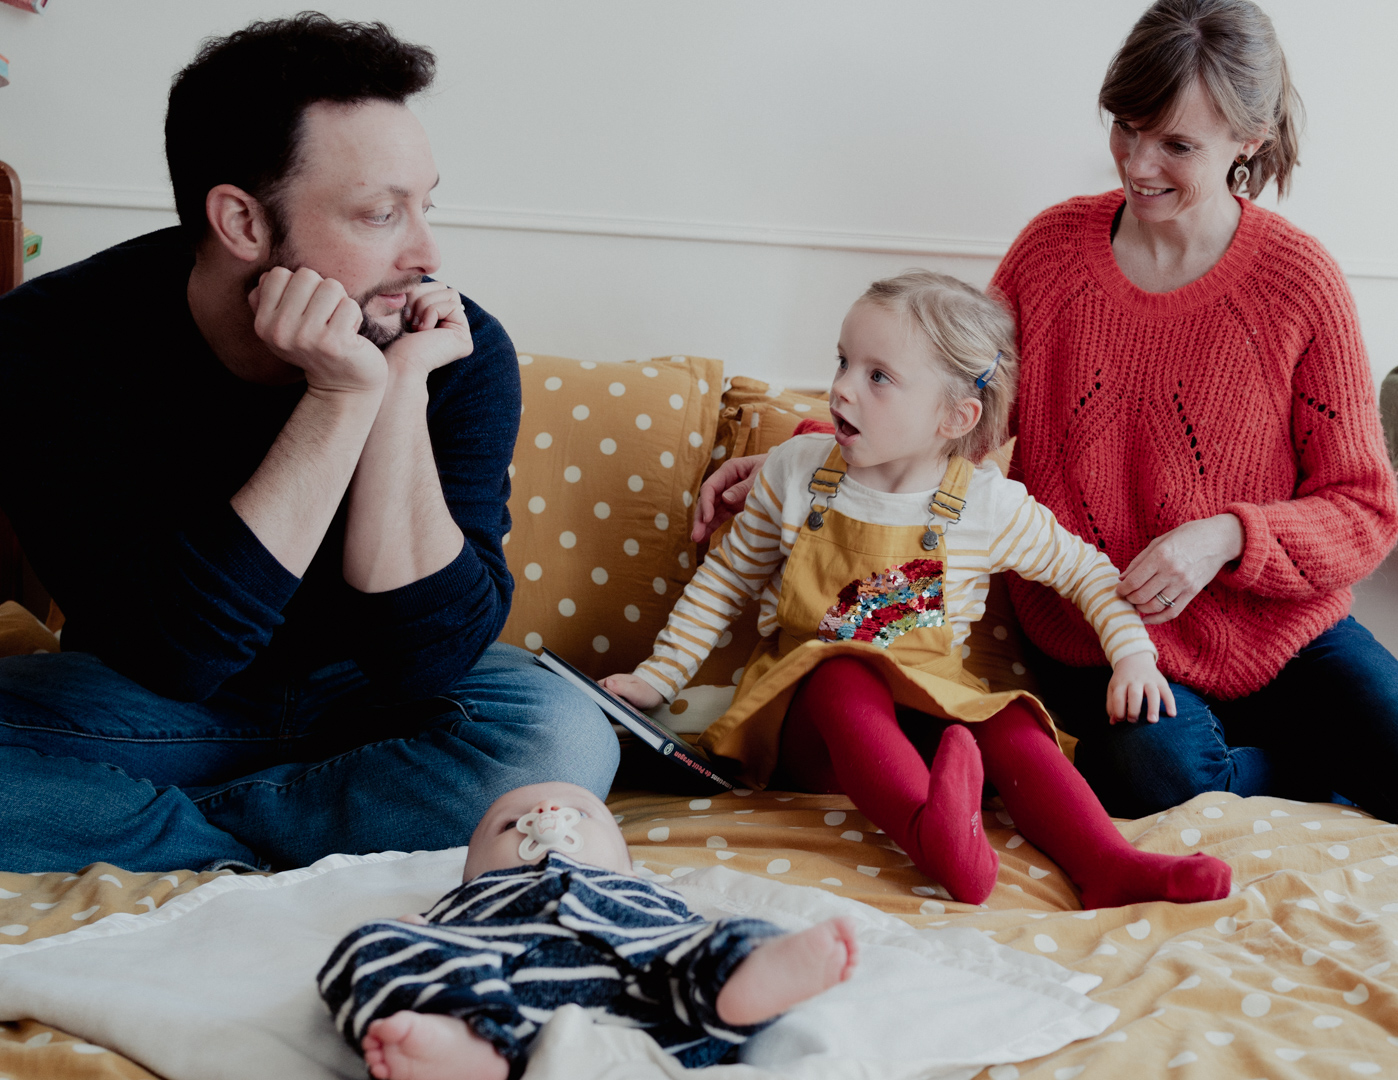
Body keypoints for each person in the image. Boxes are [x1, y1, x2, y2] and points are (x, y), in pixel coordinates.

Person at [696, 0, 1398, 823]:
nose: (1137, 165)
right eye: (1126, 128)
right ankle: (1308, 773)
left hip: (1287, 636)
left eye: (1175, 144)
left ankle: (1296, 760)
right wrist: (804, 457)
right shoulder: (1053, 253)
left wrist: (1229, 536)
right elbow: (955, 407)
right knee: (1147, 773)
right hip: (1106, 636)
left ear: (1249, 140)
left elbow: (1366, 507)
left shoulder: (1298, 282)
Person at [0, 16, 617, 875]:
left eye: (424, 205)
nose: (427, 251)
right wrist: (338, 397)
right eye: (380, 214)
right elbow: (180, 655)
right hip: (152, 706)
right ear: (243, 224)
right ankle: (276, 839)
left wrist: (396, 393)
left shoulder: (457, 349)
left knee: (557, 739)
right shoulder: (50, 342)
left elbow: (428, 661)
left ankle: (175, 836)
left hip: (373, 706)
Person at [603, 271, 1230, 907]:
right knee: (842, 669)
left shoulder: (987, 506)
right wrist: (658, 678)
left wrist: (1134, 655)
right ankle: (926, 835)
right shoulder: (795, 474)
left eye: (878, 377)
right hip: (807, 724)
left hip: (927, 710)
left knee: (1008, 720)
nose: (841, 387)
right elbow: (723, 581)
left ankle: (1107, 864)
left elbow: (1090, 573)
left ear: (954, 418)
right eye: (844, 361)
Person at [319, 781, 859, 1080]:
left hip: (648, 977)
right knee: (370, 947)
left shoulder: (651, 893)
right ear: (470, 870)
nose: (548, 813)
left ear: (628, 864)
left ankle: (743, 982)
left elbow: (687, 927)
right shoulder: (466, 900)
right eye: (508, 824)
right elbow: (418, 940)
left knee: (724, 935)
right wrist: (413, 933)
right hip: (498, 983)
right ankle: (465, 1044)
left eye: (582, 813)